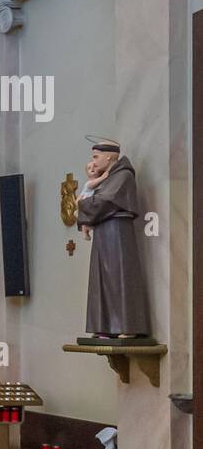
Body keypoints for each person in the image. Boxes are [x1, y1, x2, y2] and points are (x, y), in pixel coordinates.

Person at [76, 138, 151, 339]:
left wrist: (83, 204)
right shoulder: (108, 177)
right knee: (101, 277)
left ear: (109, 156)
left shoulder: (123, 175)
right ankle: (106, 326)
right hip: (104, 230)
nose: (93, 161)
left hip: (117, 230)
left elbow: (105, 200)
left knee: (119, 275)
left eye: (96, 156)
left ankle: (126, 326)